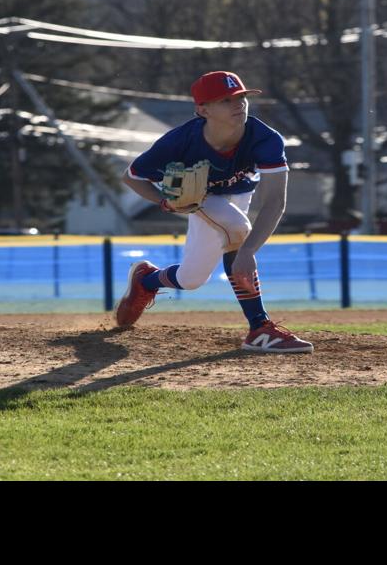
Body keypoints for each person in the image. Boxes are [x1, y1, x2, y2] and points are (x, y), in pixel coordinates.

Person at [115, 70, 313, 353]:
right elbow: (131, 177)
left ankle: (146, 279)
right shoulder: (179, 141)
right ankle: (259, 327)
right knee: (238, 229)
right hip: (201, 198)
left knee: (192, 278)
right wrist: (163, 201)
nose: (238, 104)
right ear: (202, 109)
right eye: (225, 100)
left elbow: (274, 203)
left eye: (241, 97)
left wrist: (247, 253)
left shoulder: (266, 138)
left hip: (242, 191)